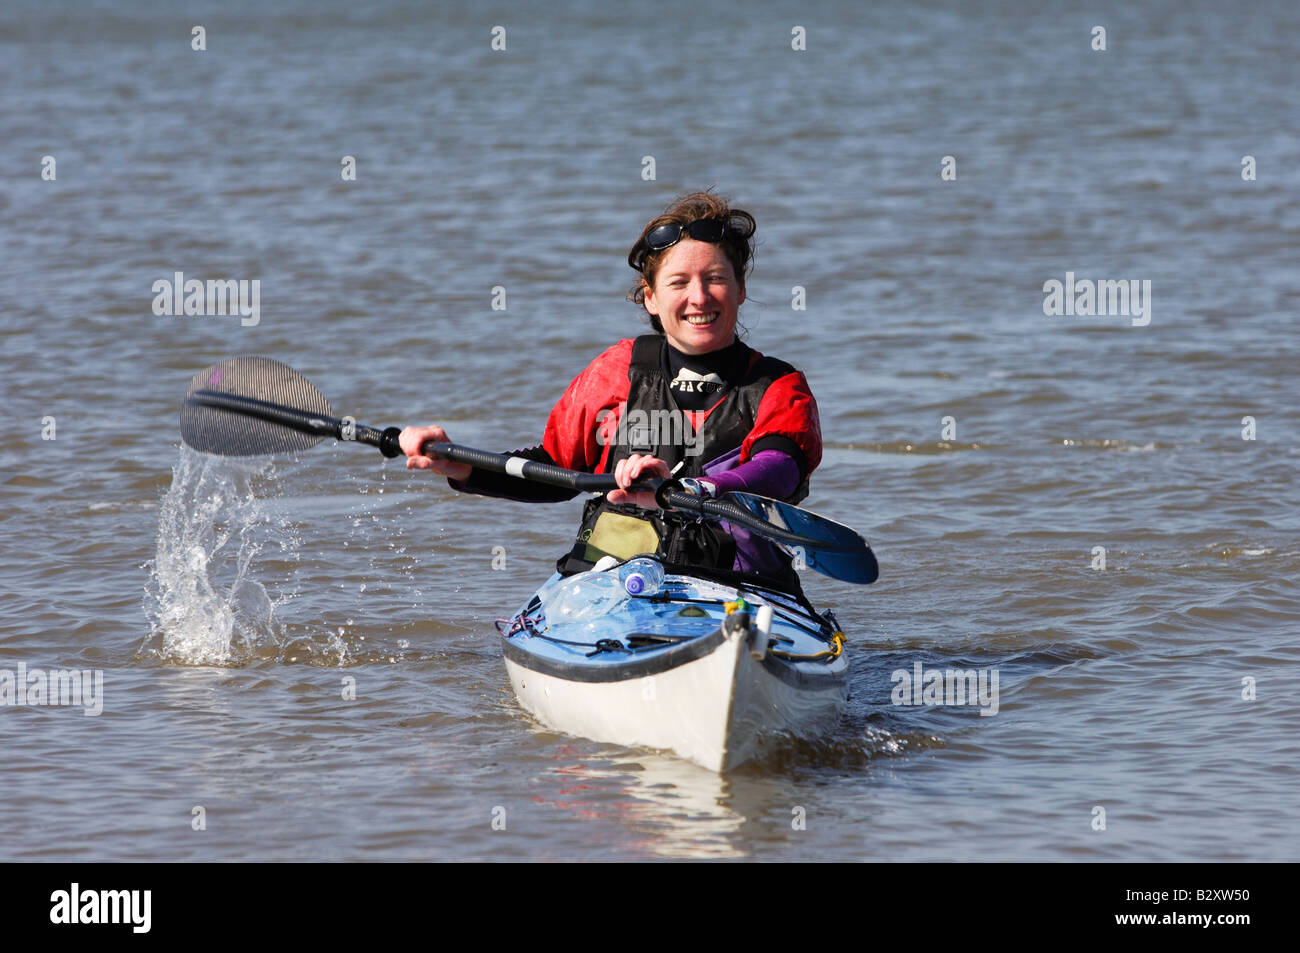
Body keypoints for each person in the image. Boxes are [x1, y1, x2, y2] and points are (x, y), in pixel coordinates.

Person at [399, 191, 822, 589]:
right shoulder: (616, 372)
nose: (699, 297)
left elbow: (779, 469)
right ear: (650, 298)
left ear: (741, 289)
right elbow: (556, 470)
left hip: (737, 588)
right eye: (678, 283)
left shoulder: (777, 386)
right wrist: (461, 466)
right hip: (612, 583)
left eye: (715, 278)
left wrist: (700, 488)